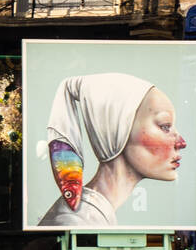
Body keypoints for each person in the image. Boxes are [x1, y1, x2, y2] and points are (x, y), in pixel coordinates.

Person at [37, 73, 186, 227]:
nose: (181, 143)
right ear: (117, 130)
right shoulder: (78, 221)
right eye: (165, 126)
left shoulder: (91, 214)